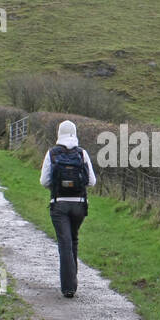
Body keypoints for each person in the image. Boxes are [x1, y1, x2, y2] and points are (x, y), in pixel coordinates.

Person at [40, 120, 97, 298]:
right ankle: (72, 280)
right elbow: (92, 182)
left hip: (59, 204)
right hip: (79, 204)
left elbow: (44, 181)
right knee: (73, 240)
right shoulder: (82, 154)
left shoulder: (52, 153)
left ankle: (68, 287)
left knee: (64, 243)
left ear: (59, 133)